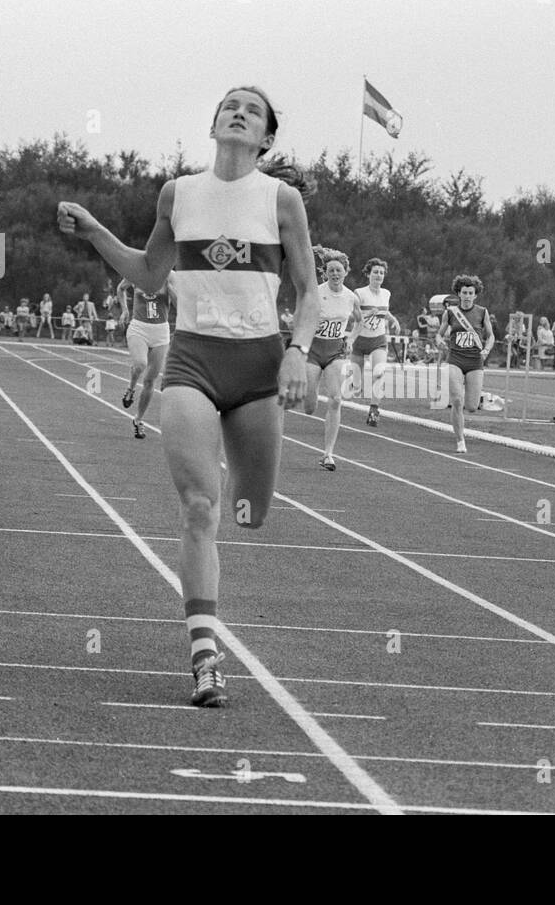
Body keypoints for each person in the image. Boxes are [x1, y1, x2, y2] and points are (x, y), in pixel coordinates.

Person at [56, 85, 319, 709]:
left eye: (252, 111)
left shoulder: (282, 200)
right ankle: (205, 657)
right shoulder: (178, 193)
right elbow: (150, 273)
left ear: (266, 139)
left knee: (250, 514)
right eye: (230, 105)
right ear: (215, 124)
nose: (238, 113)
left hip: (258, 364)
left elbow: (307, 291)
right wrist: (95, 232)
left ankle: (241, 508)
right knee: (200, 508)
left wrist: (298, 351)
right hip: (194, 359)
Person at [303, 246, 363, 470]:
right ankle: (308, 399)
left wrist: (350, 340)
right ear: (325, 273)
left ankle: (328, 454)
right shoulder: (316, 292)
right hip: (313, 349)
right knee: (310, 406)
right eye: (331, 270)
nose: (335, 274)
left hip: (335, 351)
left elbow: (359, 321)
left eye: (339, 270)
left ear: (346, 272)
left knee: (336, 399)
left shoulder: (351, 297)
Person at [436, 275, 495, 453]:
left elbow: (491, 335)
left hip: (475, 361)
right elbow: (439, 333)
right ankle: (460, 440)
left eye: (471, 293)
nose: (467, 296)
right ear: (459, 294)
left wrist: (486, 349)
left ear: (475, 295)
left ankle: (479, 400)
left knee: (471, 406)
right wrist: (439, 341)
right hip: (455, 358)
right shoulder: (450, 312)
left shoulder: (482, 312)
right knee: (456, 400)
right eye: (464, 293)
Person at [117, 276, 172, 439]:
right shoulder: (137, 271)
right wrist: (125, 310)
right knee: (140, 364)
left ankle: (138, 420)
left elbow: (180, 303)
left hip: (161, 332)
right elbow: (121, 288)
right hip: (139, 328)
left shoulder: (171, 277)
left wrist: (170, 286)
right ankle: (131, 388)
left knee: (150, 380)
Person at [348, 257, 400, 426]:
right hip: (359, 341)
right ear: (368, 274)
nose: (379, 275)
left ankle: (374, 410)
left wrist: (394, 320)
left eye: (381, 273)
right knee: (356, 388)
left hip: (378, 340)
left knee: (379, 372)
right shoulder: (359, 293)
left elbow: (385, 311)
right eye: (375, 272)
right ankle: (355, 383)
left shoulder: (386, 293)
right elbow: (350, 316)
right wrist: (367, 314)